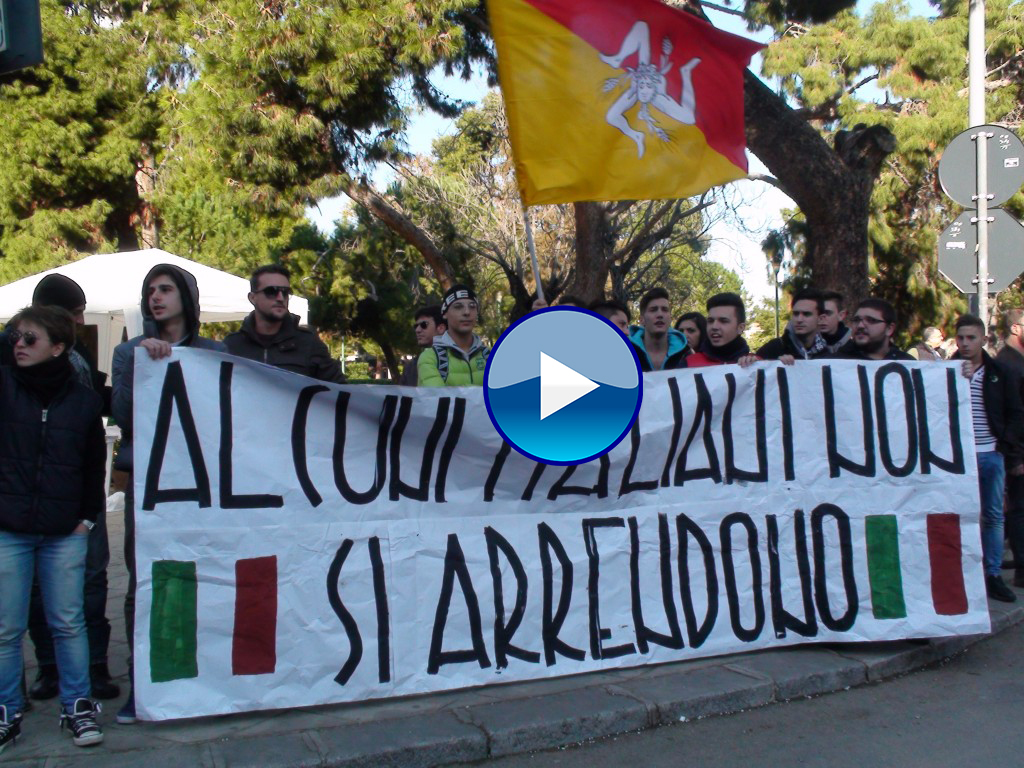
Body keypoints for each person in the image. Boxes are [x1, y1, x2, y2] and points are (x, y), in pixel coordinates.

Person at [111, 264, 226, 724]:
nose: (157, 298)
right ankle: (142, 682)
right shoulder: (128, 352)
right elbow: (122, 414)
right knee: (144, 579)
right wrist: (144, 361)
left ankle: (203, 677)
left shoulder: (214, 352)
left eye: (166, 289)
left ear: (186, 298)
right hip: (149, 485)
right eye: (150, 292)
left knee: (201, 573)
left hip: (200, 485)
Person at [0, 277, 120, 703]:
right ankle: (45, 676)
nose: (83, 318)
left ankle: (88, 678)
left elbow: (91, 449)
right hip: (18, 512)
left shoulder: (78, 361)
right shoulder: (9, 371)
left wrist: (87, 515)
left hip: (72, 507)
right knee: (22, 608)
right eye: (77, 310)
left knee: (86, 590)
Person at [952, 314, 1023, 602]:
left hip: (990, 455)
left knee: (993, 516)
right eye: (961, 338)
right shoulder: (946, 370)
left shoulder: (1001, 372)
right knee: (957, 516)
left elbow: (1016, 412)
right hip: (957, 459)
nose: (966, 343)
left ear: (983, 339)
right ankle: (962, 575)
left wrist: (1003, 447)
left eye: (972, 338)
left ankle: (992, 575)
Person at [223, 265, 345, 383]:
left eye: (285, 292)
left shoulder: (309, 344)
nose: (280, 298)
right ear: (253, 298)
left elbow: (340, 392)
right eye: (271, 291)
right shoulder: (231, 346)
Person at [997, 309, 1024, 587]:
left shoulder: (1016, 360)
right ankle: (1021, 569)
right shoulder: (1008, 363)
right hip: (1017, 452)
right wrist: (1015, 456)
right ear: (1015, 328)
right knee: (1018, 509)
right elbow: (1011, 414)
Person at [418, 285, 489, 387]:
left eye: (472, 306)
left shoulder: (491, 356)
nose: (467, 312)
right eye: (458, 307)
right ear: (444, 313)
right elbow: (436, 400)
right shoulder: (431, 359)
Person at [756, 288, 829, 363]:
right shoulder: (773, 349)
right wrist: (775, 364)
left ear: (821, 319)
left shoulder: (828, 356)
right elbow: (752, 370)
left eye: (807, 314)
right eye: (796, 314)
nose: (799, 319)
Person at [829, 299, 913, 361]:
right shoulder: (835, 363)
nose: (860, 325)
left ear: (889, 329)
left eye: (871, 320)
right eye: (856, 320)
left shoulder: (907, 364)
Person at [685, 293, 753, 367]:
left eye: (723, 321)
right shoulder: (688, 363)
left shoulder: (757, 365)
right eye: (710, 321)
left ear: (740, 328)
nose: (714, 326)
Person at [629, 288, 689, 371]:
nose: (660, 314)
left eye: (665, 310)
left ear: (670, 318)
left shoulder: (686, 354)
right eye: (653, 310)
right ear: (642, 319)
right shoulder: (627, 351)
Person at [400, 306, 446, 385]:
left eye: (424, 325)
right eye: (416, 326)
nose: (417, 330)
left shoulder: (460, 360)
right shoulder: (410, 367)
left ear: (441, 328)